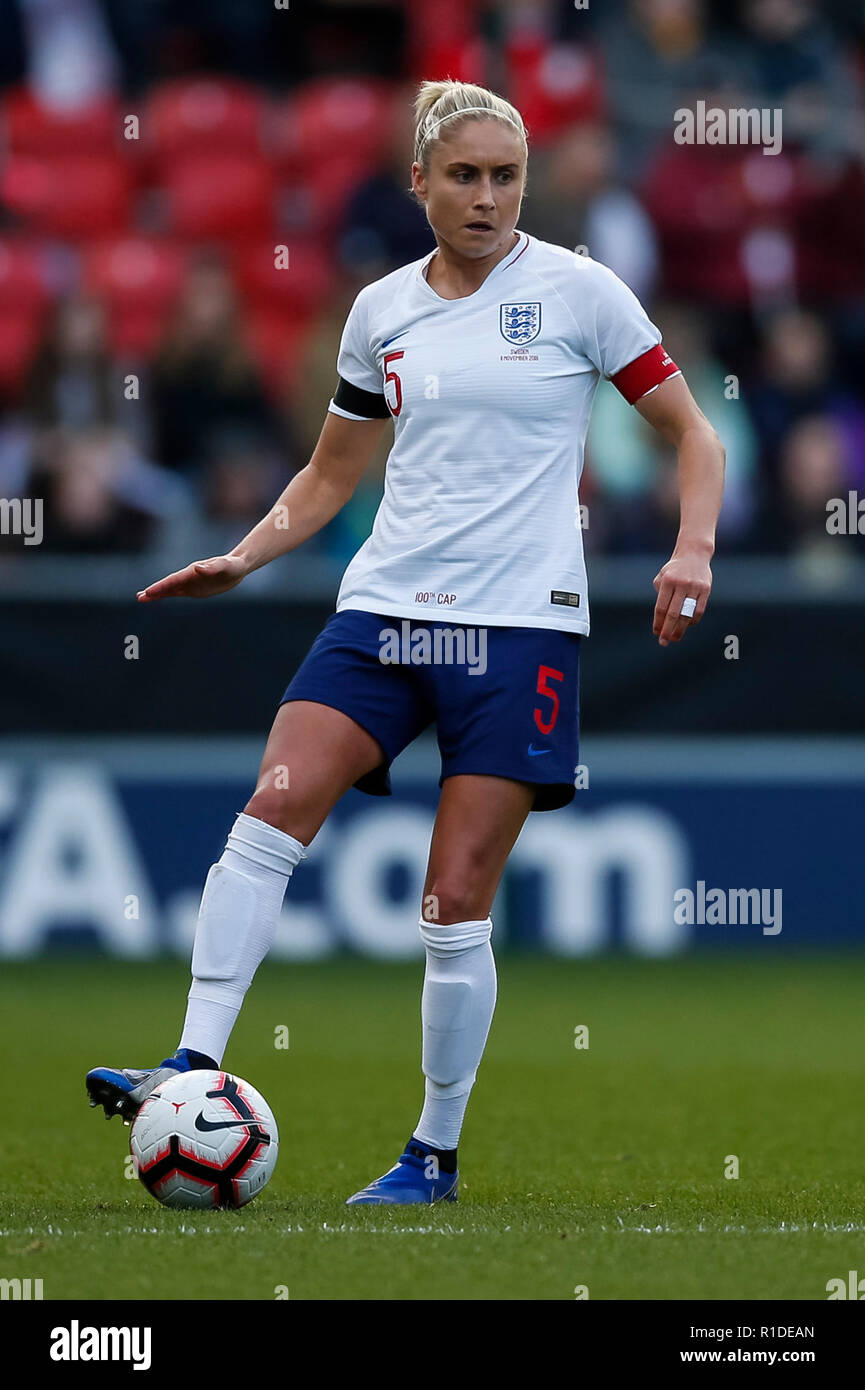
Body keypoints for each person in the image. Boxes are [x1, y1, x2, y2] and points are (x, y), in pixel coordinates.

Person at [86, 78, 725, 1206]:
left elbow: (692, 433)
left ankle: (430, 1153)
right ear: (419, 182)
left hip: (522, 626)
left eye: (506, 176)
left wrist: (692, 549)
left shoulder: (580, 293)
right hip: (382, 611)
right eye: (465, 176)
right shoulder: (380, 308)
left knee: (451, 899)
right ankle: (187, 1064)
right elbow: (334, 469)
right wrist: (247, 555)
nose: (486, 198)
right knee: (273, 802)